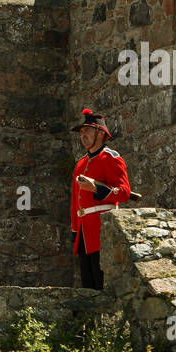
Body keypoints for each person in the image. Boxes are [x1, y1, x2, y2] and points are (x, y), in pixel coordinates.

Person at [70, 108, 130, 290]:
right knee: (87, 285)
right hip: (83, 232)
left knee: (102, 283)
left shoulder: (111, 158)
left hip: (101, 230)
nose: (83, 135)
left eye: (87, 130)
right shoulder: (80, 163)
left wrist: (97, 188)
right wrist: (75, 232)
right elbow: (75, 202)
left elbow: (124, 192)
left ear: (101, 133)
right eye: (81, 132)